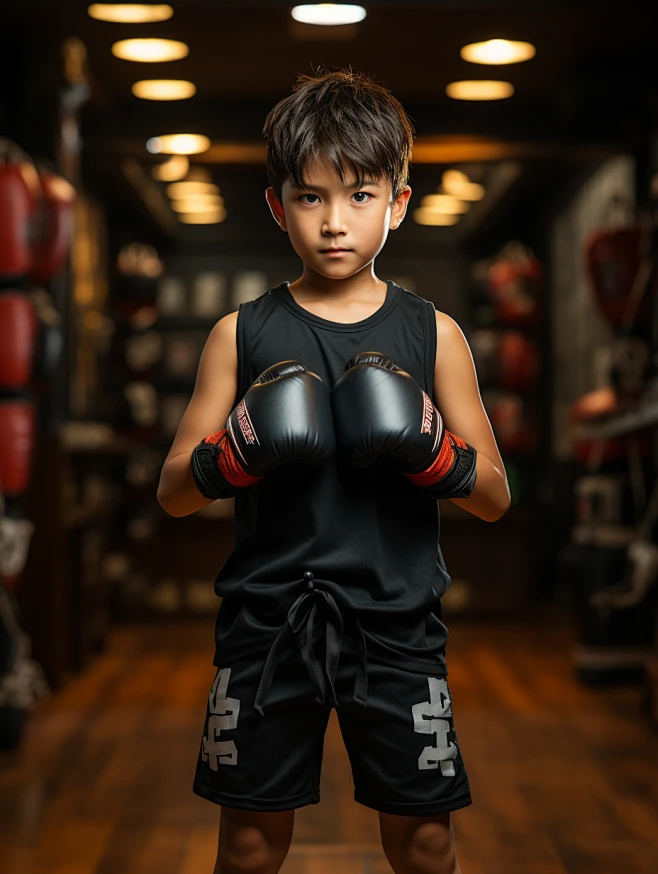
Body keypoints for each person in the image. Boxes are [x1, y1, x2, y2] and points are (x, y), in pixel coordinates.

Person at [157, 67, 510, 874]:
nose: (334, 222)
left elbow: (494, 495)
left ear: (398, 203)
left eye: (358, 195)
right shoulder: (238, 333)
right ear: (278, 206)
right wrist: (236, 450)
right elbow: (174, 490)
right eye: (310, 198)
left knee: (423, 839)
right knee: (248, 843)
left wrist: (432, 448)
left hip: (397, 628)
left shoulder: (436, 333)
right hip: (267, 626)